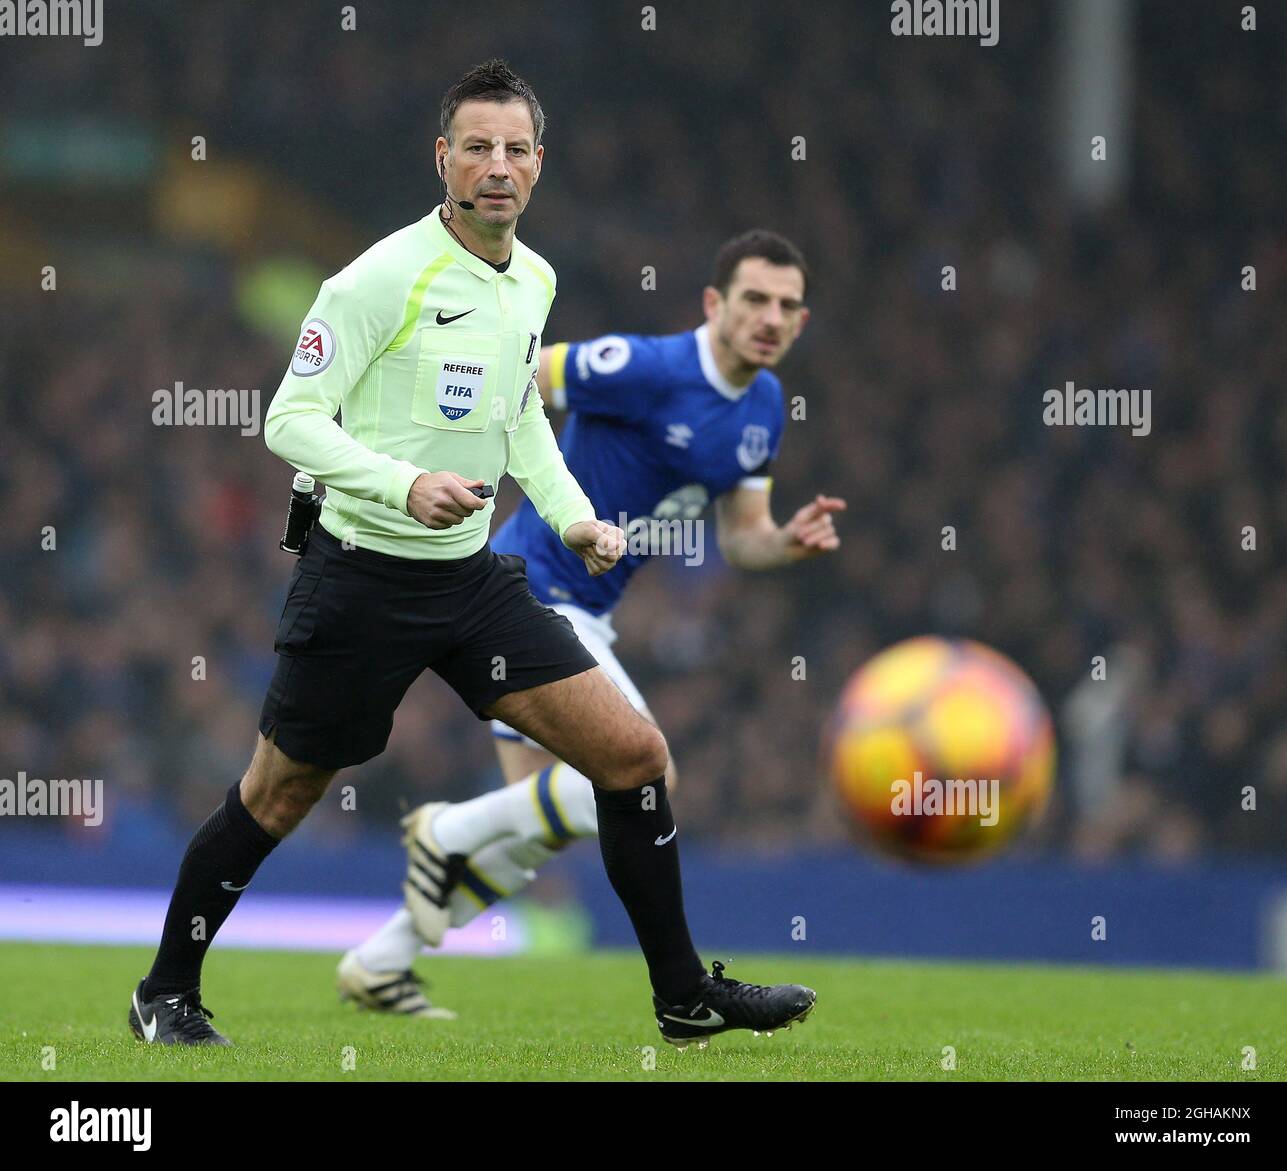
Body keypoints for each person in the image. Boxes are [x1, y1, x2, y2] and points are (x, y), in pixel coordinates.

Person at [127, 60, 814, 1050]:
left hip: (471, 581)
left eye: (516, 148)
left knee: (632, 756)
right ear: (442, 158)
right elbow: (289, 419)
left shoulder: (532, 279)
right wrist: (401, 484)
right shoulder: (375, 278)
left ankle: (681, 994)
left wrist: (572, 513)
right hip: (360, 576)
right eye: (478, 147)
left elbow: (519, 418)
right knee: (278, 793)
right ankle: (167, 990)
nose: (498, 165)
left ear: (539, 164)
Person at [341, 228, 843, 1030]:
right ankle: (446, 830)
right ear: (714, 304)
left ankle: (381, 960)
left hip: (584, 608)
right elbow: (519, 374)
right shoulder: (646, 367)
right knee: (646, 776)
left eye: (786, 305)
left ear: (801, 321)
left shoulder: (763, 407)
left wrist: (784, 540)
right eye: (754, 298)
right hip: (530, 589)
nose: (770, 317)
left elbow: (744, 534)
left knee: (539, 820)